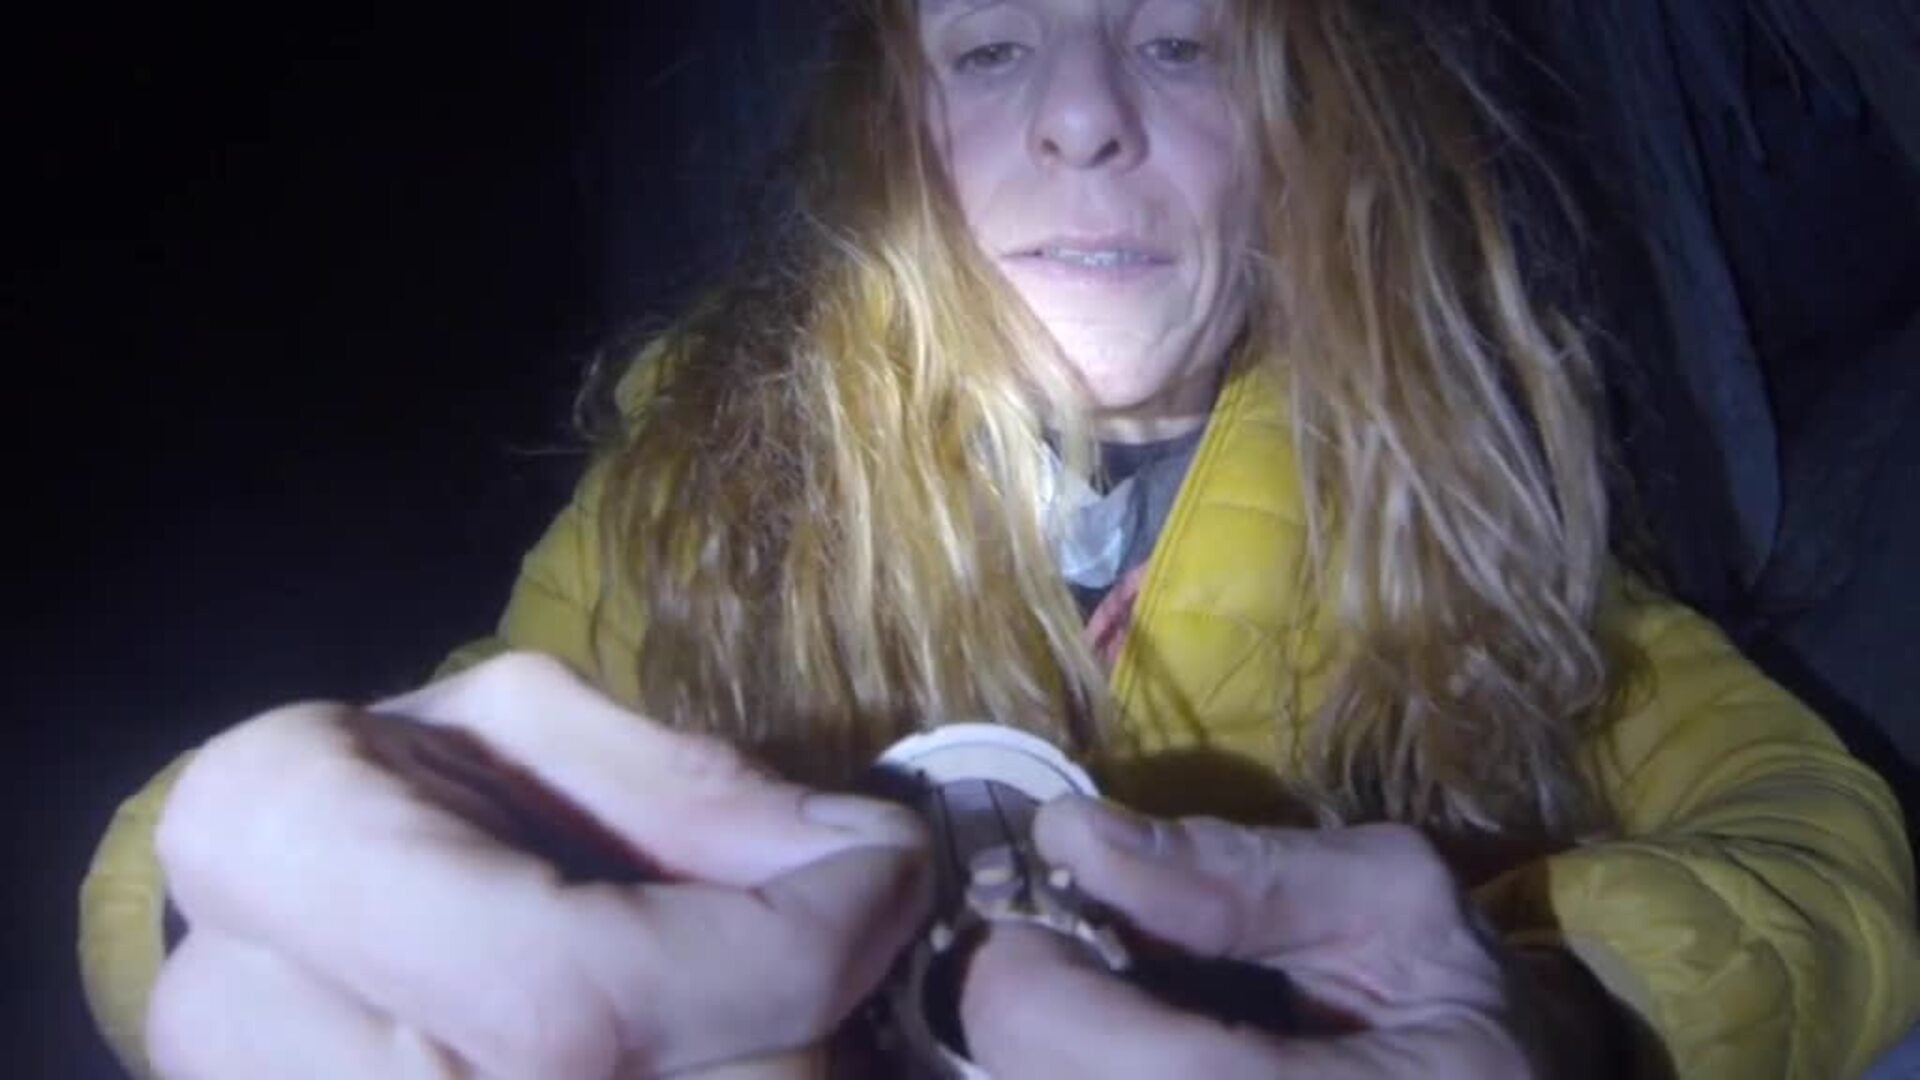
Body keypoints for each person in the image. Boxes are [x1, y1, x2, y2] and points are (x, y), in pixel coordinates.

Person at [81, 0, 1920, 1076]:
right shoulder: (703, 472)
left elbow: (1816, 836)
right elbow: (449, 740)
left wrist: (1553, 1000)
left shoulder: (1456, 496)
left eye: (1180, 43)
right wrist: (229, 908)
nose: (1085, 117)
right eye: (991, 47)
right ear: (899, 132)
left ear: (1312, 139)